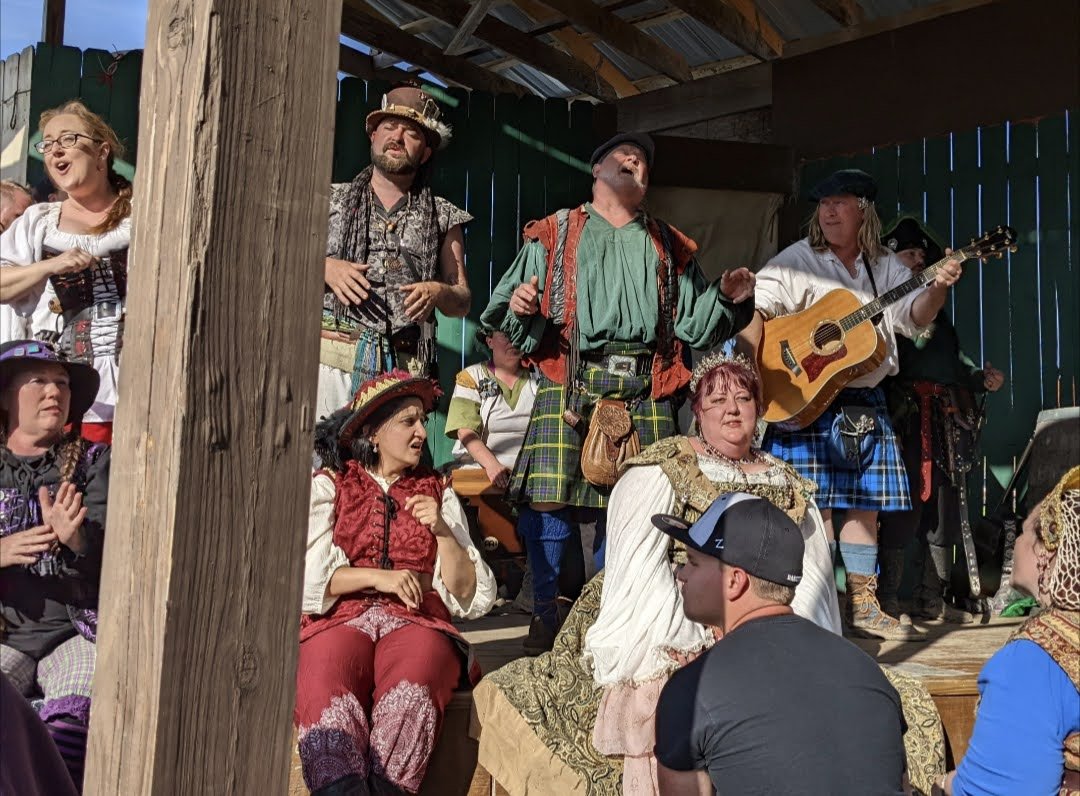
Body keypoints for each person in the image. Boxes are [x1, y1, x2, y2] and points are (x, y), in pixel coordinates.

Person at [469, 354, 844, 796]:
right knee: (655, 699)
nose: (732, 409)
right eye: (718, 399)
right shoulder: (667, 464)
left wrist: (798, 639)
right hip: (667, 611)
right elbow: (638, 560)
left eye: (744, 398)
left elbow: (811, 573)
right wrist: (683, 636)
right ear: (697, 411)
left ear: (759, 409)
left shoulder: (786, 480)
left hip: (763, 616)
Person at [481, 132, 756, 653]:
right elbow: (501, 315)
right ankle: (546, 619)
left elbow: (696, 328)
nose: (636, 162)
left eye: (644, 161)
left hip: (646, 393)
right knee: (548, 506)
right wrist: (521, 307)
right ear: (596, 168)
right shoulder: (554, 235)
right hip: (571, 389)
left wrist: (722, 294)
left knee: (630, 511)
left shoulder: (668, 244)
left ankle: (615, 619)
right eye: (623, 156)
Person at [736, 169, 963, 641]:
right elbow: (757, 309)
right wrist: (757, 373)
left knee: (863, 507)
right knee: (809, 509)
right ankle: (810, 603)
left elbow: (913, 316)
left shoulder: (888, 268)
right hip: (803, 393)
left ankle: (863, 606)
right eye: (823, 203)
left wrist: (937, 286)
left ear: (864, 210)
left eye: (840, 202)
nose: (829, 211)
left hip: (863, 398)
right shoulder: (798, 260)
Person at [295, 369, 497, 795]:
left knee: (417, 678)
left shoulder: (437, 490)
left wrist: (442, 531)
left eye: (423, 420)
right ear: (374, 431)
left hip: (416, 620)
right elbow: (311, 576)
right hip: (340, 618)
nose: (423, 431)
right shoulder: (333, 484)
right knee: (323, 676)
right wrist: (379, 578)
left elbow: (466, 594)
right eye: (409, 422)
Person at [652, 493, 908, 795]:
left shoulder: (692, 691)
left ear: (734, 581)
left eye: (692, 562)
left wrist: (688, 696)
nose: (680, 573)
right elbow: (897, 782)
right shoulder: (866, 669)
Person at [877, 217, 1006, 625]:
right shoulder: (882, 304)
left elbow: (951, 361)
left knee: (943, 510)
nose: (917, 260)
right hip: (901, 419)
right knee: (904, 506)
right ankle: (890, 601)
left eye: (921, 255)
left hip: (942, 421)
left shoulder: (937, 310)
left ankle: (931, 601)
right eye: (908, 253)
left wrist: (979, 379)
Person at [317, 84, 472, 421]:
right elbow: (278, 268)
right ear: (373, 135)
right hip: (332, 365)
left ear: (426, 151)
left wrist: (438, 291)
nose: (397, 137)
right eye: (389, 127)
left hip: (403, 371)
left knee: (396, 472)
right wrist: (324, 268)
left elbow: (462, 299)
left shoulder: (444, 216)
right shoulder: (328, 201)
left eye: (411, 132)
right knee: (323, 467)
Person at [0, 340, 110, 789]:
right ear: (5, 396)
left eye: (62, 383)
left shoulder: (94, 463)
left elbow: (119, 557)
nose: (54, 392)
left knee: (72, 719)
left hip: (73, 632)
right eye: (39, 381)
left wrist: (78, 538)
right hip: (7, 633)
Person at [936, 465, 1080, 795]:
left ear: (1047, 553)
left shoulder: (1034, 663)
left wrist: (942, 784)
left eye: (1025, 533)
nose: (1014, 545)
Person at [0, 100, 134, 444]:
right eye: (47, 143)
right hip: (66, 401)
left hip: (142, 389)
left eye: (68, 139)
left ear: (102, 151)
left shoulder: (141, 215)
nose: (55, 150)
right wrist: (51, 265)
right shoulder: (39, 222)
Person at [444, 325, 537, 488]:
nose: (514, 340)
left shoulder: (537, 378)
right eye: (506, 335)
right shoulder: (472, 376)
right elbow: (464, 430)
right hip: (482, 470)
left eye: (519, 333)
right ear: (489, 341)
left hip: (532, 473)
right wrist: (492, 465)